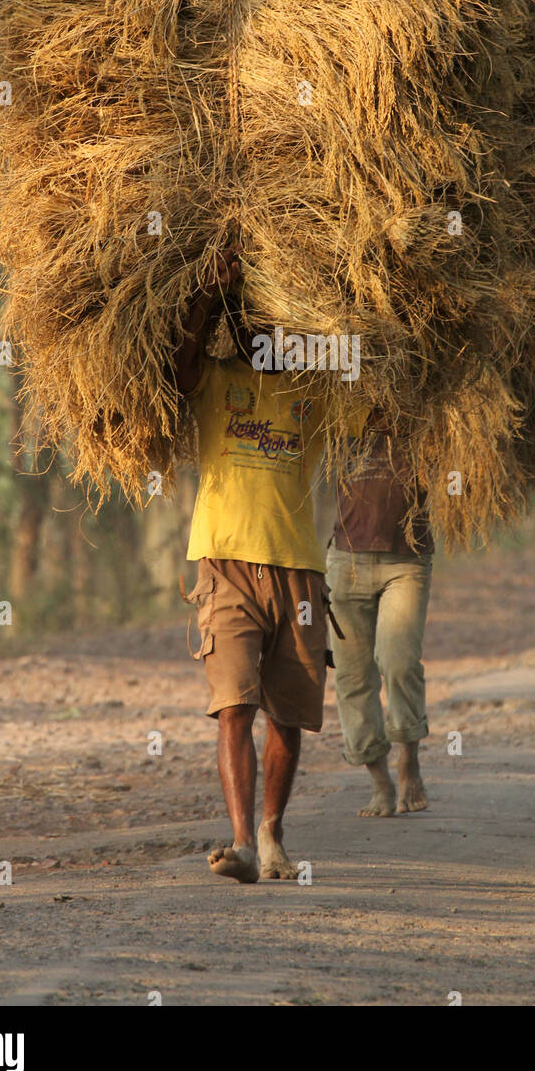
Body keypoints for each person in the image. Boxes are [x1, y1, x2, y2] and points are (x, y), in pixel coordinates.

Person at [174, 248, 332, 883]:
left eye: (270, 323)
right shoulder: (214, 383)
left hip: (297, 572)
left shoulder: (313, 393)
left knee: (287, 719)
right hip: (225, 569)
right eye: (249, 319)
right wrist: (210, 295)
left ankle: (271, 833)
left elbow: (375, 384)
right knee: (233, 707)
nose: (257, 332)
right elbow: (180, 369)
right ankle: (241, 842)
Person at [326, 412, 433, 816]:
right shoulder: (337, 406)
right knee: (353, 677)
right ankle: (379, 781)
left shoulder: (423, 405)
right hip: (345, 560)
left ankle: (409, 763)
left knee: (399, 661)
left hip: (407, 560)